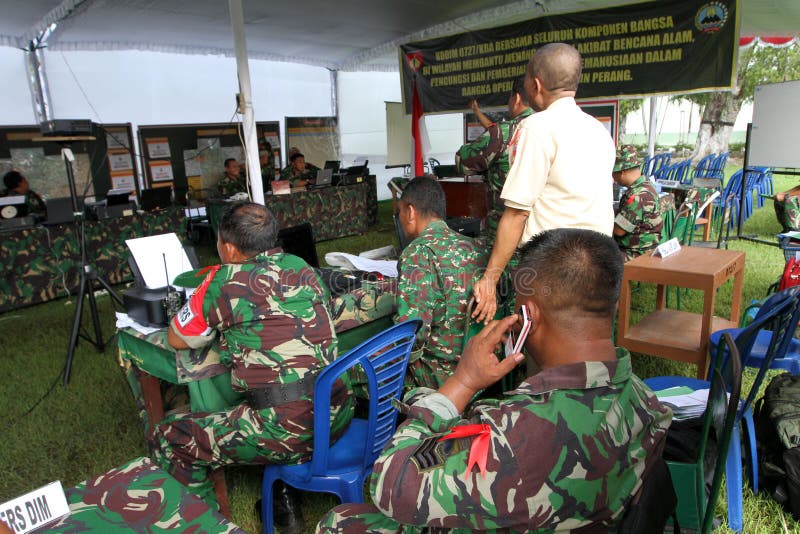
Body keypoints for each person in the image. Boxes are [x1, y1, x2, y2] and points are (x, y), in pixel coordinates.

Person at [318, 228, 672, 533]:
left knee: (341, 521)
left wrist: (462, 382)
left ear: (528, 317)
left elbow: (392, 484)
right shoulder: (645, 399)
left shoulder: (515, 435)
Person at [153, 202, 353, 532]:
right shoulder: (300, 266)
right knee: (269, 397)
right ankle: (283, 497)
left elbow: (177, 337)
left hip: (286, 430)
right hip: (337, 412)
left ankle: (203, 524)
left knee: (171, 438)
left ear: (229, 248)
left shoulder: (220, 282)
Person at [472, 42, 616, 323]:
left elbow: (517, 213)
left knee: (542, 344)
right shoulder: (598, 130)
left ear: (535, 85)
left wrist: (490, 279)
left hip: (553, 267)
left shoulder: (537, 128)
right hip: (597, 264)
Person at [394, 176, 487, 389]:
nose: (399, 217)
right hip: (482, 368)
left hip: (442, 378)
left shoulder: (418, 253)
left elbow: (412, 334)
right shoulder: (476, 247)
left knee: (353, 375)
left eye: (399, 211)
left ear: (410, 211)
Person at [455, 78, 533, 244]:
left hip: (506, 235)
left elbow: (462, 162)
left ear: (516, 98)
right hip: (545, 236)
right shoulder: (557, 130)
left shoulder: (502, 133)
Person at [612, 145, 663, 261]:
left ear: (622, 172)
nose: (614, 179)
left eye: (613, 173)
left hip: (635, 254)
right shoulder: (647, 185)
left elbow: (618, 231)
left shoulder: (637, 197)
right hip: (646, 249)